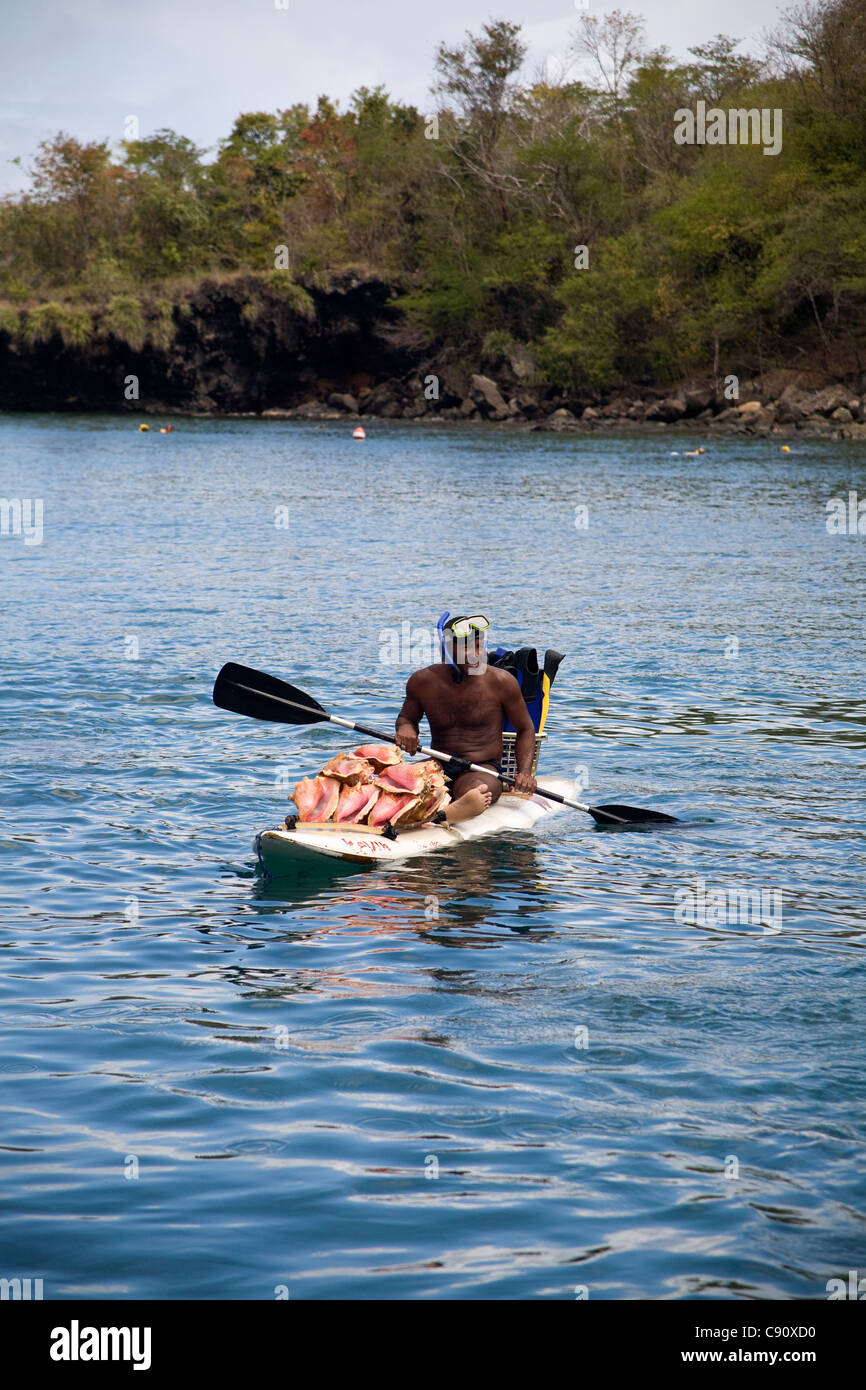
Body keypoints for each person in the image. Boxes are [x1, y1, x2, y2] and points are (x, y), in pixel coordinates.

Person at [394, 613, 537, 824]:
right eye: (466, 648)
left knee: (477, 789)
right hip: (438, 764)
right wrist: (406, 730)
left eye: (479, 646)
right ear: (447, 650)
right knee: (394, 780)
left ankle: (454, 810)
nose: (474, 654)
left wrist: (525, 773)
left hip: (483, 767)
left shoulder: (501, 682)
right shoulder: (422, 681)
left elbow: (525, 729)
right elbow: (406, 718)